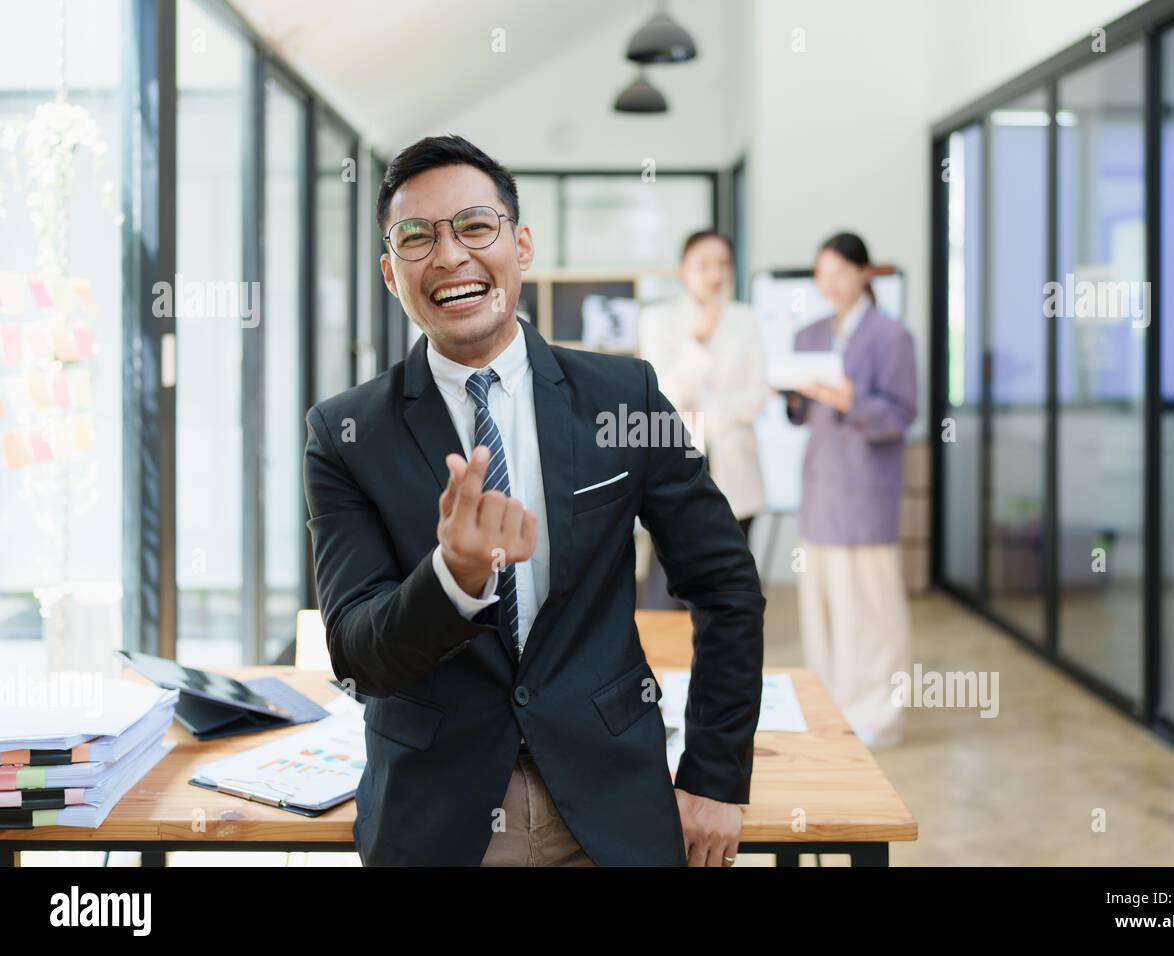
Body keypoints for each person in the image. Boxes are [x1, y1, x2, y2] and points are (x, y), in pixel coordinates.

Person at [303, 135, 764, 867]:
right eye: (417, 238)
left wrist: (715, 774)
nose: (450, 256)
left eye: (476, 226)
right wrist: (453, 578)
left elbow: (727, 586)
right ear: (392, 275)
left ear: (520, 245)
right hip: (436, 816)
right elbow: (359, 657)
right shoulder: (347, 434)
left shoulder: (625, 396)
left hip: (611, 806)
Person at [785, 232, 917, 748]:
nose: (830, 284)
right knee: (822, 610)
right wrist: (797, 397)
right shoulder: (809, 333)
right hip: (821, 490)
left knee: (872, 612)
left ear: (866, 272)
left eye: (841, 272)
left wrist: (849, 400)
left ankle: (880, 715)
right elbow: (801, 415)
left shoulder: (891, 337)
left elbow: (902, 414)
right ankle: (833, 706)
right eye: (823, 274)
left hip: (865, 493)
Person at [637, 230, 767, 609]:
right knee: (665, 591)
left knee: (728, 588)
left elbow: (757, 396)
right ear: (682, 270)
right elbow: (664, 396)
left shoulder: (747, 320)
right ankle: (660, 666)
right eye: (704, 265)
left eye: (723, 264)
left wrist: (702, 416)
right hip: (674, 471)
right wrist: (699, 338)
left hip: (735, 472)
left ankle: (721, 665)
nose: (715, 274)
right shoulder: (658, 319)